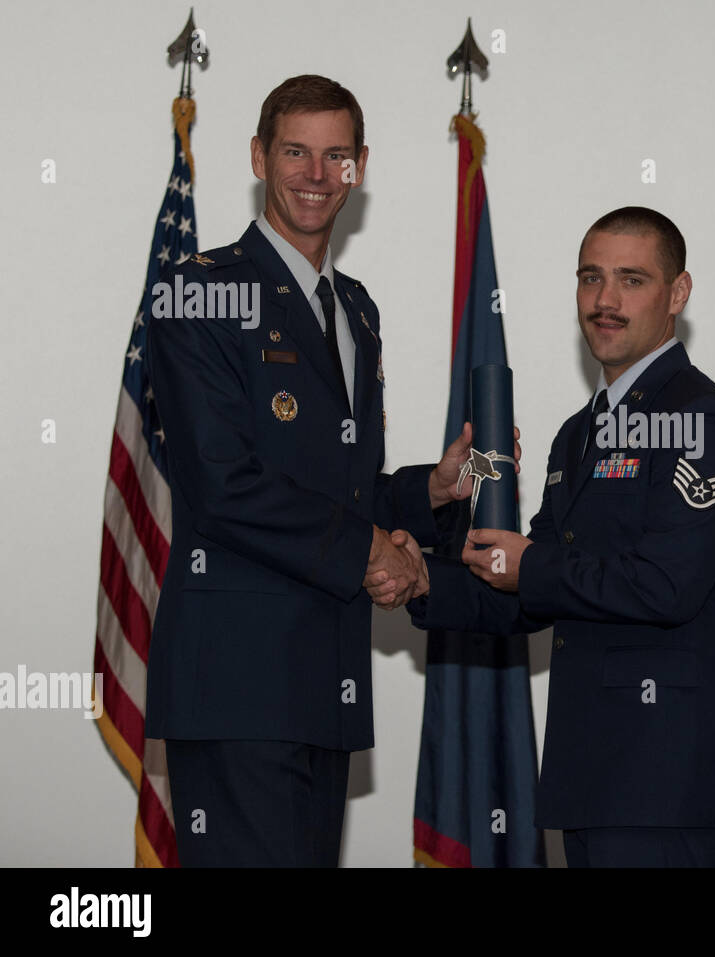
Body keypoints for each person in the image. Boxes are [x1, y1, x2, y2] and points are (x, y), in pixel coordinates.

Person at [147, 75, 480, 866]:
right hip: (237, 679)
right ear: (260, 156)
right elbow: (224, 483)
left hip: (325, 676)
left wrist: (424, 492)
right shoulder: (199, 292)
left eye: (337, 156)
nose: (316, 175)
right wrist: (371, 549)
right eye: (296, 152)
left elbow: (340, 489)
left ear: (360, 166)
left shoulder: (355, 307)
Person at [370, 207, 715, 867]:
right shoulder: (578, 434)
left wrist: (531, 566)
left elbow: (665, 587)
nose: (605, 301)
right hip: (589, 777)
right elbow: (525, 590)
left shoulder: (704, 419)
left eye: (631, 280)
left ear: (678, 293)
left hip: (664, 781)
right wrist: (425, 577)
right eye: (591, 277)